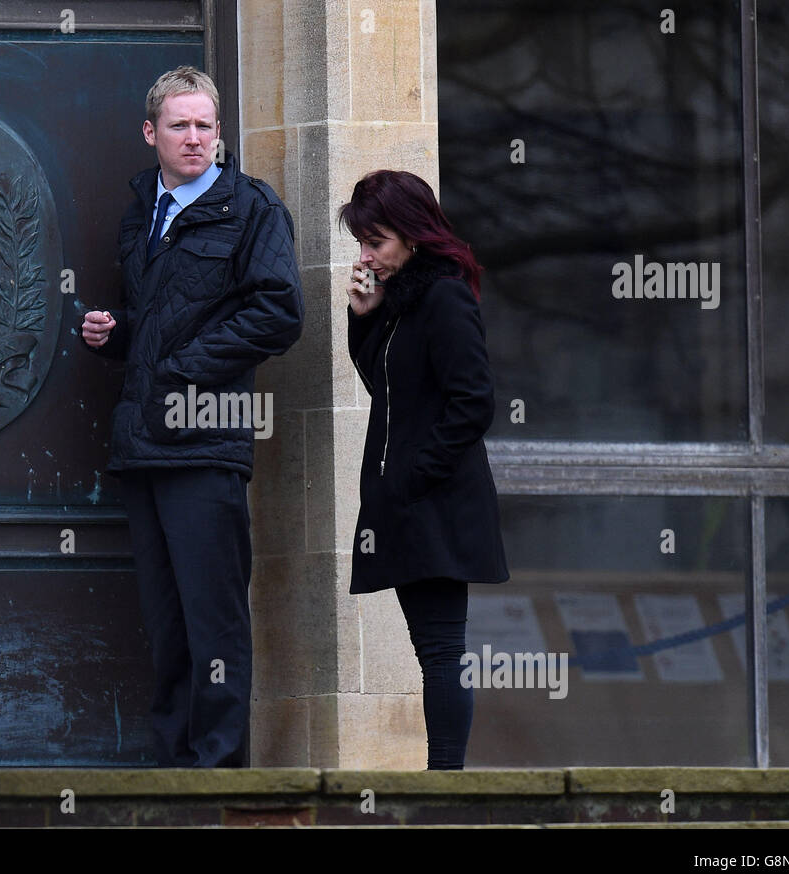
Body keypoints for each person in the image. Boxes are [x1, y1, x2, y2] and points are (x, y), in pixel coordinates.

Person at [81, 66, 303, 767]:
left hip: (205, 443)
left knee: (215, 626)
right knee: (168, 628)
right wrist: (119, 334)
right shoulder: (143, 210)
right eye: (180, 125)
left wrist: (183, 366)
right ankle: (173, 777)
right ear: (152, 133)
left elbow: (279, 311)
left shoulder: (252, 208)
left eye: (206, 125)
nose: (195, 138)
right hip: (143, 445)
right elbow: (159, 321)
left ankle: (218, 776)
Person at [340, 169, 509, 770]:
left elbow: (474, 402)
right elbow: (390, 393)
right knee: (434, 650)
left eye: (377, 242)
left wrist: (414, 476)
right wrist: (365, 316)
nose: (367, 256)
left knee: (442, 651)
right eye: (361, 242)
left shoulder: (442, 295)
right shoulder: (403, 300)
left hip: (435, 502)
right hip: (411, 503)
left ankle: (446, 787)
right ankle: (444, 784)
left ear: (413, 236)